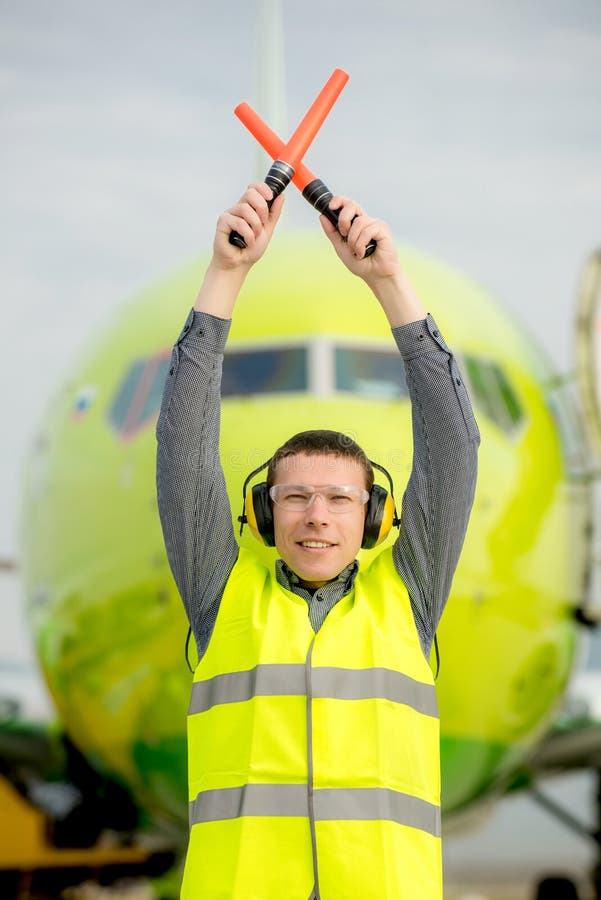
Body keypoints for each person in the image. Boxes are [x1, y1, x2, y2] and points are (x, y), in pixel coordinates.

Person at [156, 183, 480, 899]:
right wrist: (226, 273)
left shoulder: (407, 594)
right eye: (295, 497)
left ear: (374, 517)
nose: (316, 517)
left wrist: (389, 281)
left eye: (340, 499)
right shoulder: (221, 592)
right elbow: (182, 449)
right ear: (264, 513)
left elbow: (454, 447)